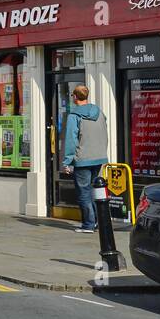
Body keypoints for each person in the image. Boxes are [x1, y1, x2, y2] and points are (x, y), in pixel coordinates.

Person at [61, 85, 109, 234]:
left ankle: (88, 224)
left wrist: (67, 161)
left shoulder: (74, 115)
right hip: (99, 156)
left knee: (83, 192)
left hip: (83, 158)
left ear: (75, 97)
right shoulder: (99, 112)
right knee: (94, 190)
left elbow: (70, 140)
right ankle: (96, 221)